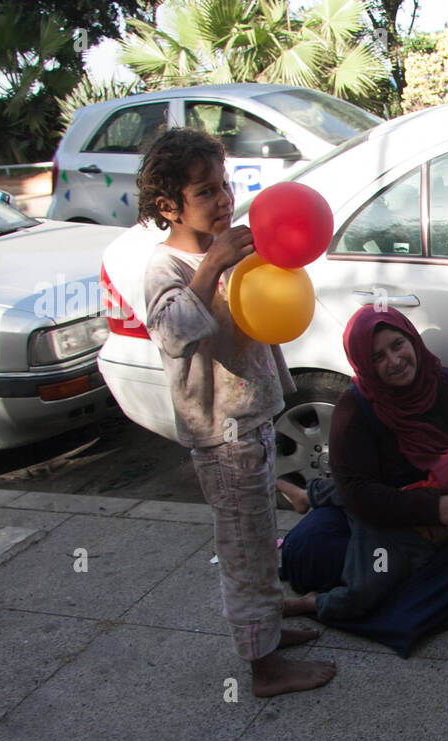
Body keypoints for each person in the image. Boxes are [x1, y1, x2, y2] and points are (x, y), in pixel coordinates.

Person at [137, 127, 335, 697]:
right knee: (245, 550)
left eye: (224, 185)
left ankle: (268, 626)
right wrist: (214, 264)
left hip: (252, 421)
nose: (224, 199)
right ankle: (263, 667)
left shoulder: (225, 251)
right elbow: (173, 332)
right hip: (220, 435)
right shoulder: (167, 266)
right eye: (205, 191)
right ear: (168, 206)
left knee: (260, 531)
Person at [277, 305, 448, 638]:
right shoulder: (356, 408)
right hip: (385, 511)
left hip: (438, 513)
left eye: (397, 345)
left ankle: (310, 495)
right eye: (377, 357)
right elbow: (358, 492)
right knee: (315, 553)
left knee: (436, 588)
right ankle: (314, 601)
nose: (394, 361)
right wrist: (435, 508)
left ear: (412, 339)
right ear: (363, 363)